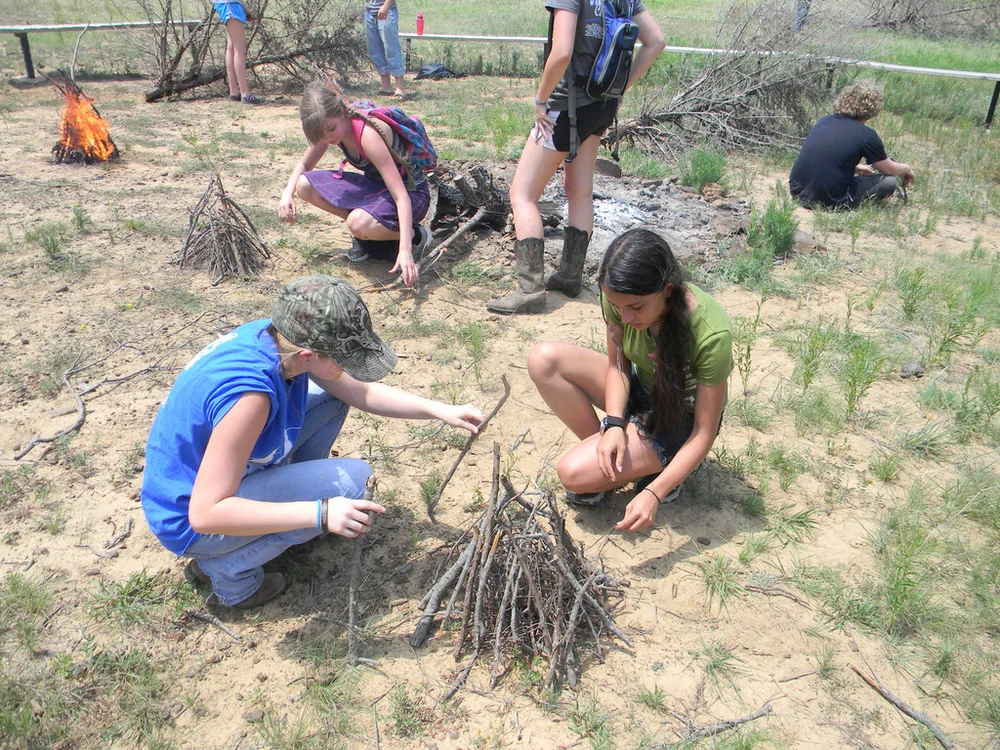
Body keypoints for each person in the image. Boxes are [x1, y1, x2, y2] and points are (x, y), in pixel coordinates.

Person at [141, 276, 484, 608]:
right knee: (351, 484)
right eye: (342, 359)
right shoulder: (250, 399)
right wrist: (320, 512)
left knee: (331, 397)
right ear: (307, 355)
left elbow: (358, 391)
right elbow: (205, 514)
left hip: (216, 479)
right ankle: (227, 572)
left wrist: (438, 410)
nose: (349, 368)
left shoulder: (275, 337)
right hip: (190, 521)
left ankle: (290, 511)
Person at [527, 229, 732, 533]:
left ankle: (663, 469)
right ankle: (616, 460)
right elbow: (618, 367)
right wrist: (612, 426)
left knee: (572, 473)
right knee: (544, 360)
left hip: (679, 418)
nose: (624, 317)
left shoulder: (710, 332)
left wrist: (654, 493)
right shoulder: (621, 296)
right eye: (616, 306)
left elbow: (704, 432)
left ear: (667, 289)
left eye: (635, 308)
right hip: (643, 387)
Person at [486, 0, 665, 315]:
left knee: (523, 195)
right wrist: (621, 89)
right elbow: (656, 41)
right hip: (600, 105)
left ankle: (530, 290)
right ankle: (570, 276)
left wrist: (541, 99)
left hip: (566, 106)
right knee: (580, 191)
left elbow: (562, 52)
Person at [278, 82, 432, 288]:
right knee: (304, 185)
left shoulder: (367, 135)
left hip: (412, 193)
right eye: (321, 135)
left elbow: (400, 196)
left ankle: (415, 236)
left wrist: (405, 250)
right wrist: (287, 193)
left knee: (358, 223)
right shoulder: (330, 127)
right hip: (377, 187)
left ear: (342, 112)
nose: (328, 138)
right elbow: (305, 164)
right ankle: (371, 232)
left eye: (331, 129)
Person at [789, 82, 915, 209]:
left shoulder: (824, 121)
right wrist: (907, 169)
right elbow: (890, 170)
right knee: (889, 181)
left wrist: (855, 168)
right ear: (873, 109)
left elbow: (824, 158)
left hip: (798, 192)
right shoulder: (867, 135)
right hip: (829, 200)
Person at [213, 2, 264, 104]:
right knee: (239, 50)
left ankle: (234, 92)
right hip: (230, 3)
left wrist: (243, 7)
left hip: (231, 4)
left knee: (232, 47)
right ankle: (245, 95)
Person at [365, 0, 406, 98]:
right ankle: (386, 86)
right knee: (374, 50)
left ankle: (400, 87)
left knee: (391, 49)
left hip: (387, 10)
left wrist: (386, 6)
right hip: (369, 11)